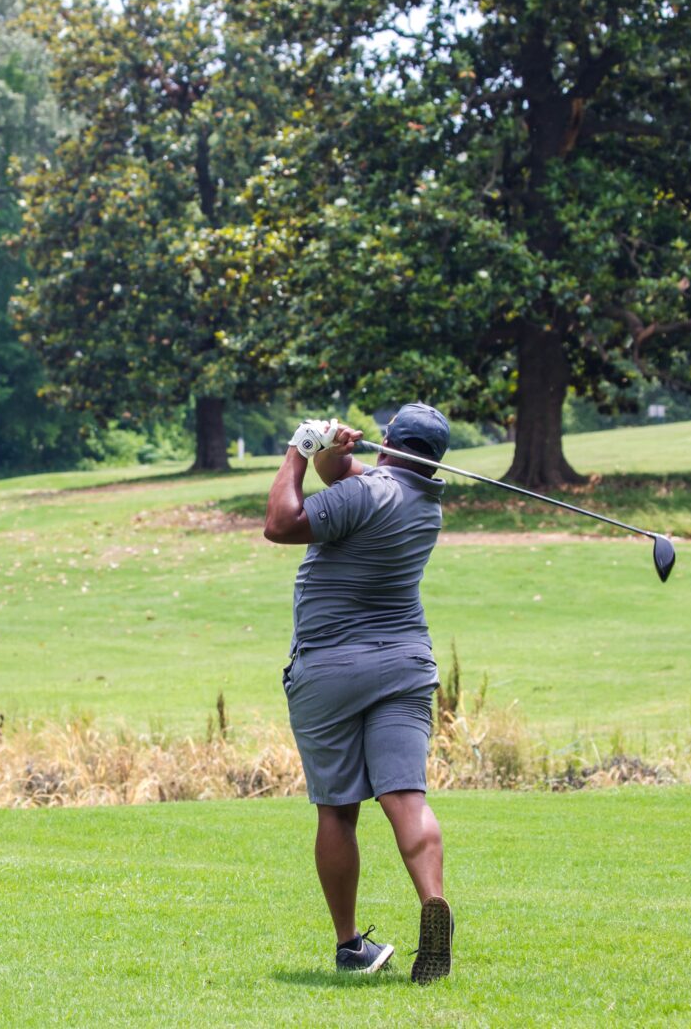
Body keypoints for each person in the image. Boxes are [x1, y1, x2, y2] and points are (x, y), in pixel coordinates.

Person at [262, 403, 454, 983]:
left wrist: (299, 450)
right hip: (405, 666)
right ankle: (432, 900)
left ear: (389, 441)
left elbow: (280, 523)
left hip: (331, 670)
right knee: (405, 796)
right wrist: (335, 456)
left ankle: (350, 946)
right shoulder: (426, 505)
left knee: (338, 810)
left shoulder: (367, 494)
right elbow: (350, 488)